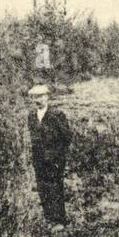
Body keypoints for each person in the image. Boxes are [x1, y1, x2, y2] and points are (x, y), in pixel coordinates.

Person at [26, 84, 72, 229]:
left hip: (55, 160)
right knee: (42, 188)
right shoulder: (32, 116)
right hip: (39, 159)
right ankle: (49, 219)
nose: (38, 100)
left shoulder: (56, 115)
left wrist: (57, 155)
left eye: (40, 96)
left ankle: (59, 221)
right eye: (35, 97)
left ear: (47, 97)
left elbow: (67, 137)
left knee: (55, 187)